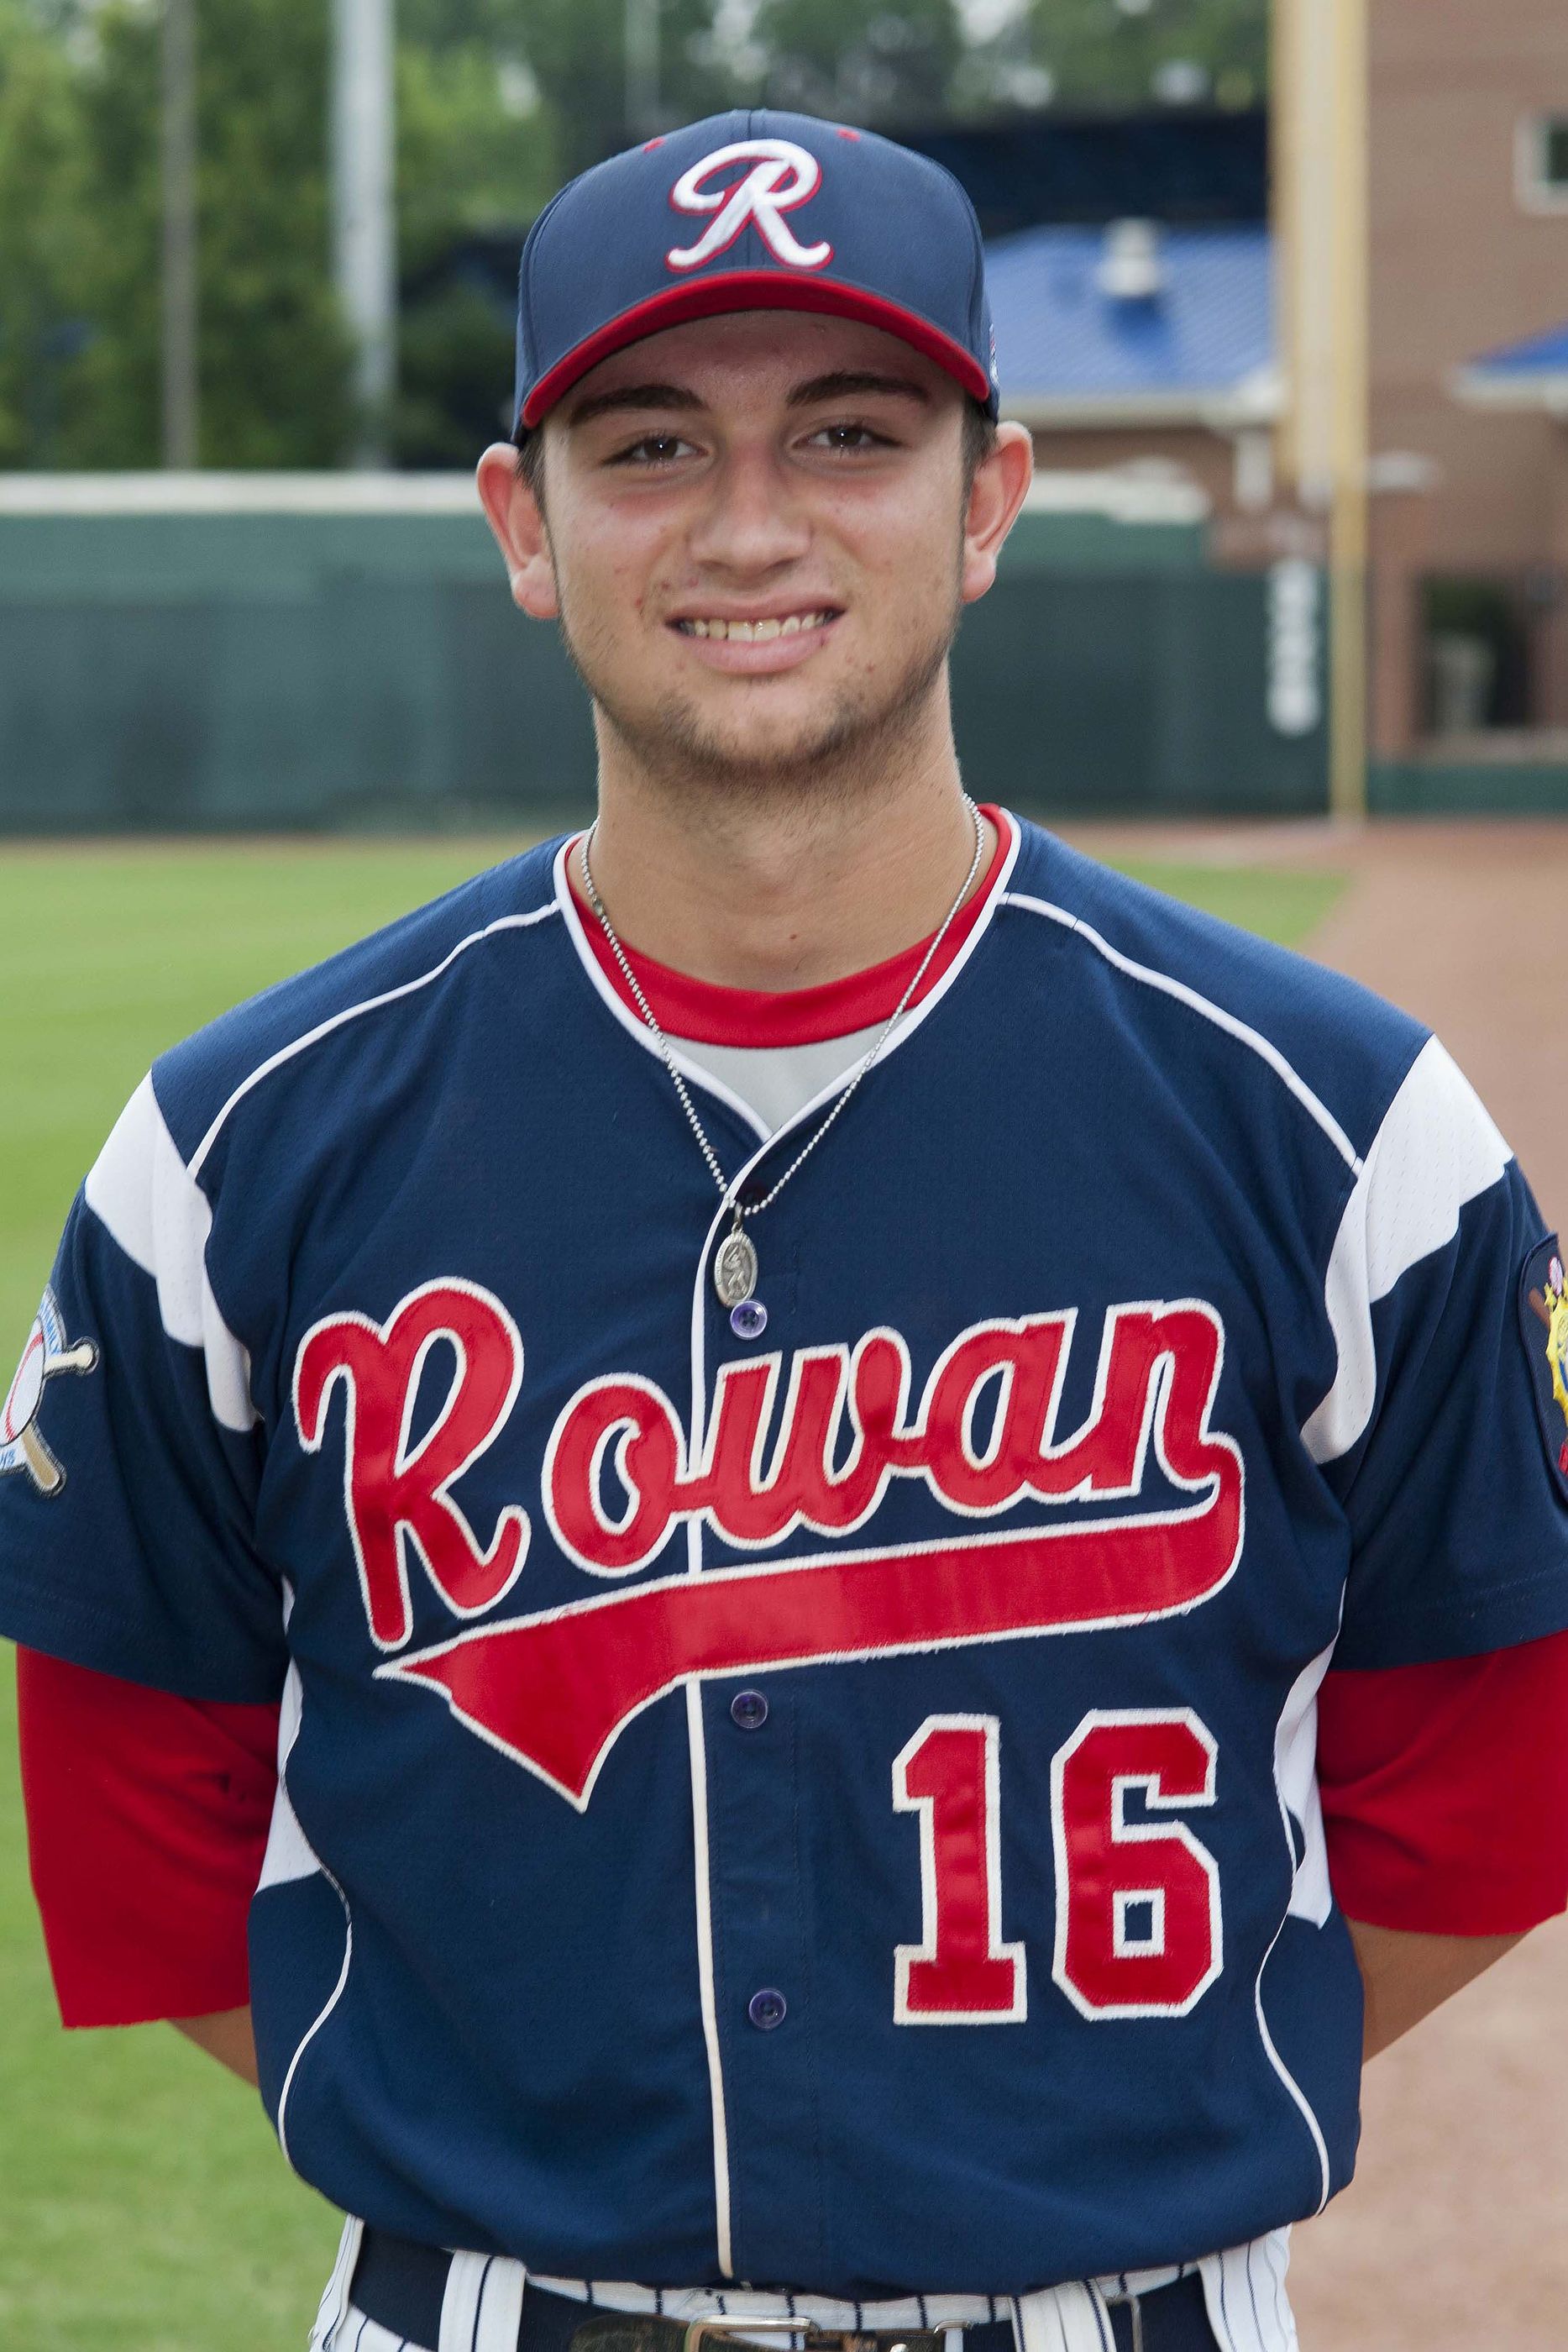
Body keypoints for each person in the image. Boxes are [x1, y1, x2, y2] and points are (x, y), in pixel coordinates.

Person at [4, 109, 1568, 2352]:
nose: (750, 522)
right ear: (523, 526)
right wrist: (528, 2162)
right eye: (647, 442)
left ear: (986, 501)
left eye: (847, 431)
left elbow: (1492, 1789)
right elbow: (135, 1820)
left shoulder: (1334, 1125)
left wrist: (1072, 2155)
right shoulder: (242, 1148)